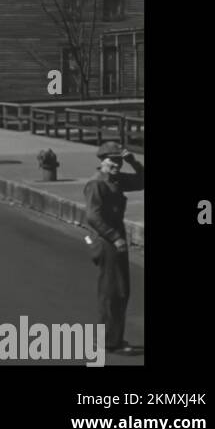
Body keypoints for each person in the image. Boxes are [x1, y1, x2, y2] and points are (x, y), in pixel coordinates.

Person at [83, 141, 144, 355]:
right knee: (111, 291)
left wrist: (133, 161)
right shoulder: (97, 184)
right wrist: (114, 237)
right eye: (113, 160)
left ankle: (113, 338)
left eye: (119, 160)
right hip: (106, 240)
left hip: (115, 238)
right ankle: (107, 341)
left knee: (120, 291)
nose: (117, 164)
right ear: (102, 160)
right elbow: (93, 216)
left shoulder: (115, 179)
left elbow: (142, 180)